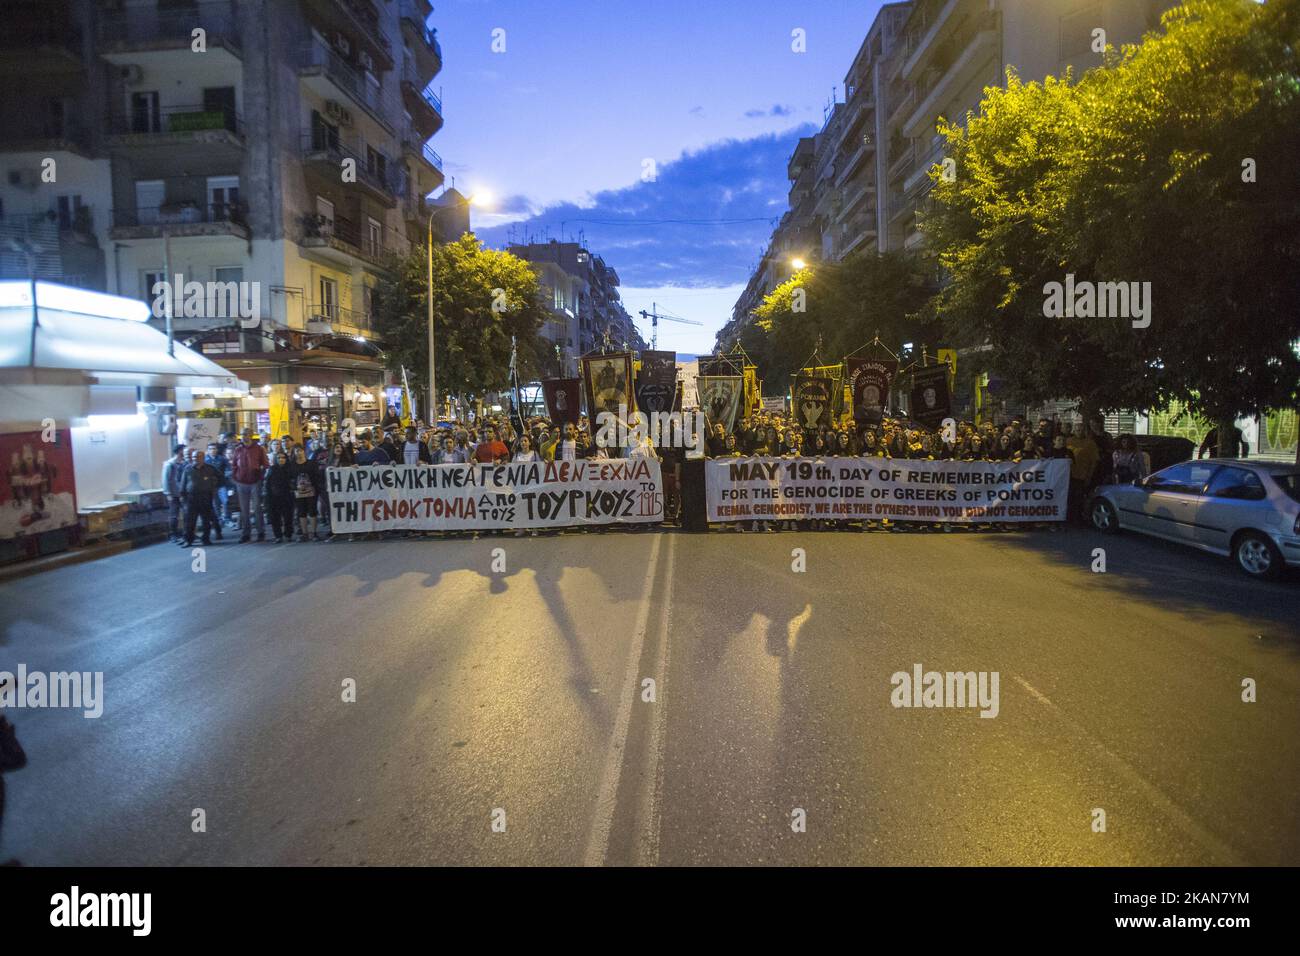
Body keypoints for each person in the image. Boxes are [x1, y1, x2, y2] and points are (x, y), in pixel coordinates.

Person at [231, 429, 269, 542]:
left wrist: (260, 477)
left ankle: (260, 532)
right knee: (244, 509)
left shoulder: (259, 449)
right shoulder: (238, 449)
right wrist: (235, 478)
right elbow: (234, 465)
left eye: (245, 434)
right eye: (242, 434)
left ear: (251, 436)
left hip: (255, 482)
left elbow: (265, 464)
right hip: (241, 482)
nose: (243, 437)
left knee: (257, 508)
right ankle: (246, 533)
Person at [180, 451, 220, 547]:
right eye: (194, 457)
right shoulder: (188, 469)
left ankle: (206, 539)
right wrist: (182, 495)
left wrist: (214, 487)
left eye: (198, 457)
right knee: (189, 521)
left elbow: (220, 478)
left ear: (203, 458)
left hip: (205, 497)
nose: (195, 459)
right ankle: (188, 540)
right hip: (191, 498)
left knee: (206, 520)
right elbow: (183, 482)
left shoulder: (210, 469)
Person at [288, 446, 322, 541]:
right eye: (296, 451)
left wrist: (314, 487)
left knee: (312, 511)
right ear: (294, 453)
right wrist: (294, 487)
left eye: (300, 450)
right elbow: (290, 478)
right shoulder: (292, 465)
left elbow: (317, 476)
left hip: (311, 490)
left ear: (304, 452)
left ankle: (314, 533)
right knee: (301, 512)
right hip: (298, 491)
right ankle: (304, 533)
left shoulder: (311, 463)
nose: (299, 453)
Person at [263, 452, 295, 542]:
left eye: (283, 457)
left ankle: (288, 534)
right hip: (274, 497)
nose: (281, 459)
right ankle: (278, 536)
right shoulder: (272, 469)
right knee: (275, 517)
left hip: (287, 496)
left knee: (288, 517)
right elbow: (267, 484)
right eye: (279, 457)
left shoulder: (290, 469)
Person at [161, 444, 187, 542]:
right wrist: (168, 493)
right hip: (174, 493)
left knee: (186, 514)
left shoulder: (184, 463)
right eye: (183, 450)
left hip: (183, 493)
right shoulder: (170, 464)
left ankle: (187, 533)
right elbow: (165, 479)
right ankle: (173, 534)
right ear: (179, 451)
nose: (185, 452)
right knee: (174, 515)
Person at [203, 442, 226, 541]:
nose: (213, 450)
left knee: (222, 503)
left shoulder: (221, 459)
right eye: (211, 449)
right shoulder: (204, 460)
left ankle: (222, 522)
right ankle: (217, 527)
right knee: (214, 508)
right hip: (209, 488)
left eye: (214, 448)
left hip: (219, 485)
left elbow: (227, 470)